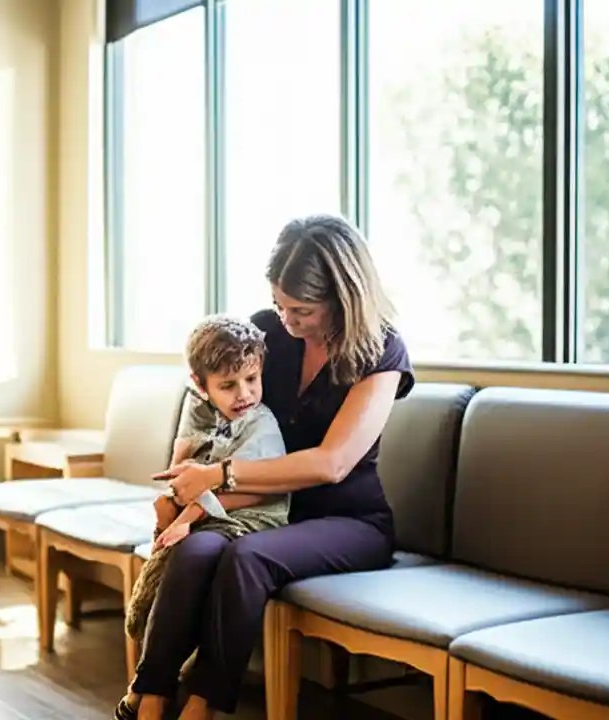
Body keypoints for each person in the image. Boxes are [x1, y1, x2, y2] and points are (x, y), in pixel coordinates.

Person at [129, 213, 414, 720]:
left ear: (343, 298)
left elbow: (332, 463)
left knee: (246, 558)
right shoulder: (266, 331)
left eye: (301, 310)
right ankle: (147, 698)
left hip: (346, 521)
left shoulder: (382, 351)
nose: (287, 319)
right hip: (261, 509)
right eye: (280, 304)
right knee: (196, 550)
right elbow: (208, 399)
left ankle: (201, 708)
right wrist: (184, 478)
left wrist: (219, 476)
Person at [116, 315, 289, 720]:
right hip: (207, 514)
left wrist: (184, 520)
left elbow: (248, 491)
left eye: (252, 379)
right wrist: (174, 508)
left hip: (249, 514)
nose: (244, 394)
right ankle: (153, 688)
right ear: (200, 384)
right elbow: (181, 466)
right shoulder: (198, 405)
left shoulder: (260, 421)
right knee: (190, 556)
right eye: (228, 386)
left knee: (196, 550)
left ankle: (154, 693)